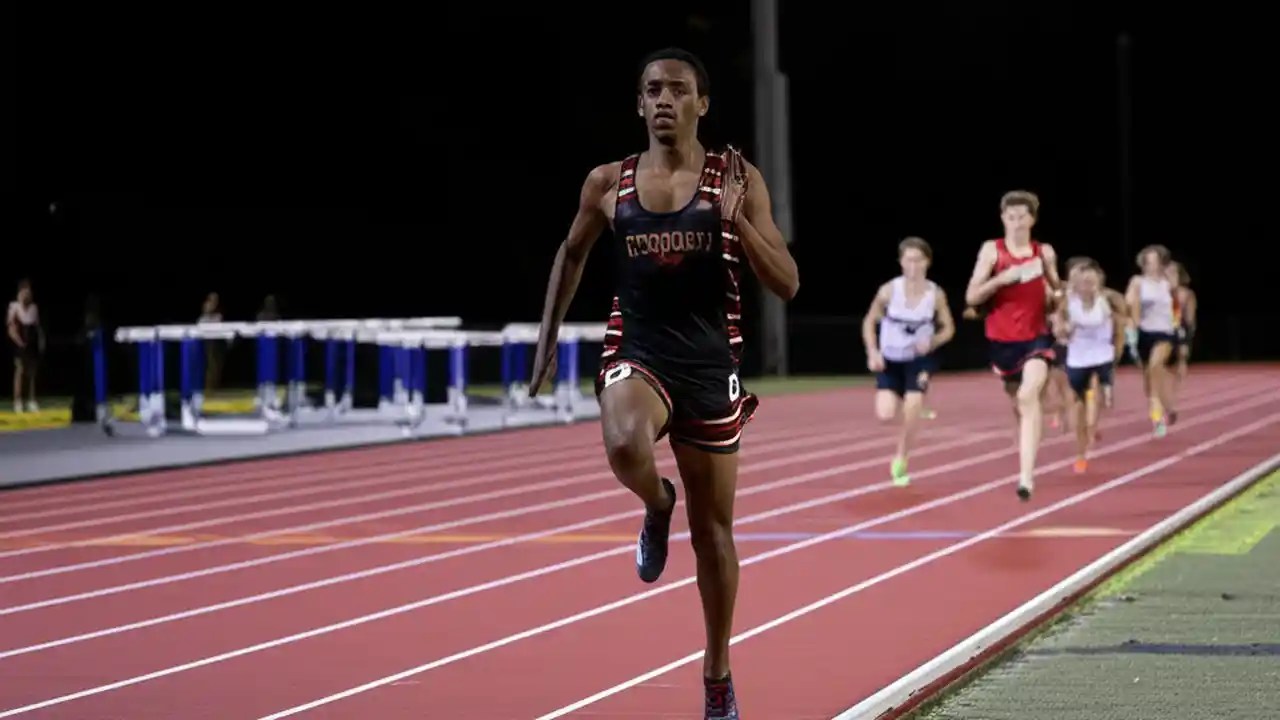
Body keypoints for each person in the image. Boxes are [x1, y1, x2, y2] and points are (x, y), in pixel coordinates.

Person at [526, 48, 799, 720]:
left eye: (679, 90)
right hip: (639, 350)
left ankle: (717, 675)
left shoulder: (736, 180)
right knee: (623, 441)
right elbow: (572, 252)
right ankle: (655, 500)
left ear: (702, 104)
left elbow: (787, 282)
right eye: (653, 90)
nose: (665, 100)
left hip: (709, 365)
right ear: (639, 105)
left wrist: (736, 219)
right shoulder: (607, 184)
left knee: (714, 535)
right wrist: (549, 336)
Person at [964, 190, 1063, 500]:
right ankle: (1028, 442)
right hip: (1003, 339)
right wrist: (1003, 279)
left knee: (1028, 394)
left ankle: (1026, 479)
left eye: (1023, 216)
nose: (1017, 222)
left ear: (1032, 219)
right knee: (1019, 405)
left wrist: (1055, 298)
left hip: (1037, 336)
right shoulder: (991, 251)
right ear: (1003, 218)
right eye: (1011, 216)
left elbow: (1057, 292)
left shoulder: (1044, 252)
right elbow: (971, 297)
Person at [861, 236, 955, 486]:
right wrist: (873, 352)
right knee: (885, 414)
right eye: (908, 260)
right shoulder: (889, 290)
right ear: (901, 262)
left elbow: (948, 329)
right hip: (890, 359)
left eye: (918, 260)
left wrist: (933, 341)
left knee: (913, 408)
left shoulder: (935, 295)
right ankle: (909, 401)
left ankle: (901, 459)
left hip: (919, 359)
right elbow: (870, 321)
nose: (913, 265)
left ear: (927, 262)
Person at [1053, 259, 1115, 473]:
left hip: (1102, 356)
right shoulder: (1066, 302)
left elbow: (1125, 317)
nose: (1087, 285)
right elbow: (1058, 330)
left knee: (1097, 396)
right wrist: (1064, 329)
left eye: (1091, 281)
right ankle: (1080, 452)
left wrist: (1124, 341)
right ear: (1075, 284)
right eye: (1082, 281)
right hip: (1078, 358)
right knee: (1076, 407)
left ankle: (1092, 426)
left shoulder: (1107, 299)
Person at [1123, 245, 1178, 436]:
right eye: (1147, 261)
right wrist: (1131, 331)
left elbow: (1177, 303)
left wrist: (1179, 325)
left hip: (1165, 332)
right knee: (1150, 380)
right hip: (1144, 333)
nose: (1151, 265)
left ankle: (1159, 420)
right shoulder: (1138, 282)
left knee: (1156, 366)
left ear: (1161, 263)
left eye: (1155, 261)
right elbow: (1129, 303)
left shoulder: (1168, 282)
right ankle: (1165, 408)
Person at [7, 279, 45, 413]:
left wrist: (41, 341)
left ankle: (32, 400)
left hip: (32, 342)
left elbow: (38, 327)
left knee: (32, 373)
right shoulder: (14, 306)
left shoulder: (34, 308)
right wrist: (18, 341)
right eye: (25, 292)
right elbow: (11, 328)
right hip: (19, 342)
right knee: (20, 371)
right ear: (20, 293)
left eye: (29, 292)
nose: (27, 295)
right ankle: (18, 402)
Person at [1167, 260, 1197, 402]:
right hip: (1163, 329)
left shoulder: (1187, 294)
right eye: (1166, 272)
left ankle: (1180, 392)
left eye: (1172, 273)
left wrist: (1186, 333)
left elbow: (1189, 319)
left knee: (1182, 355)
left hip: (1180, 328)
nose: (1169, 275)